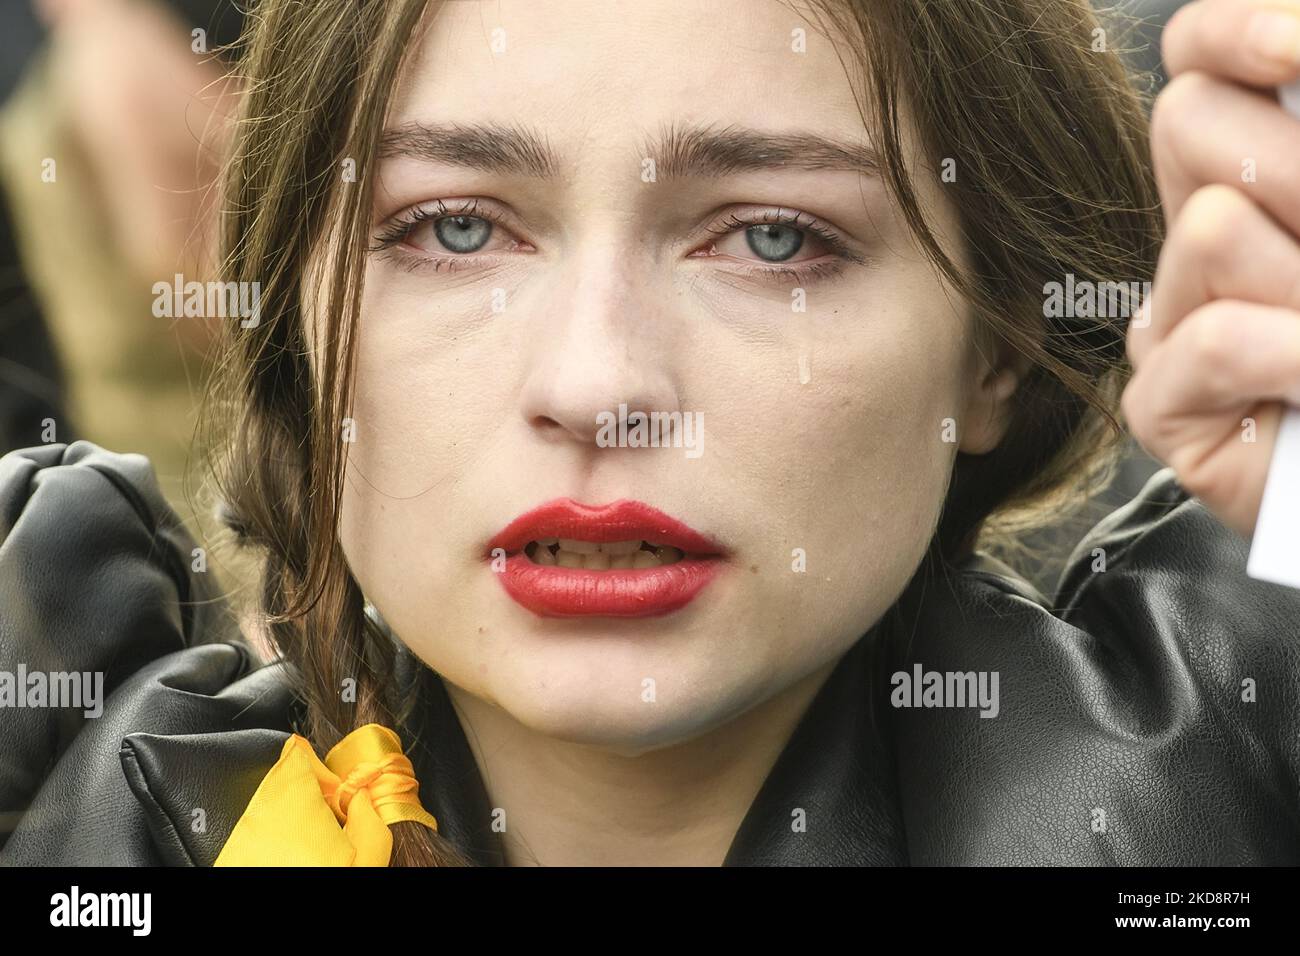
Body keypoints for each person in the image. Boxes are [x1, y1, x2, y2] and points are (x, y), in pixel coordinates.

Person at [1, 0, 1298, 867]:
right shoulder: (58, 782)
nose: (598, 384)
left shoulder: (1237, 767)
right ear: (295, 319)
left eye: (773, 237)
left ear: (996, 348)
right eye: (456, 228)